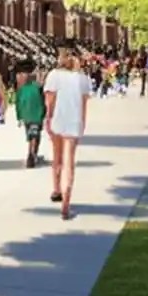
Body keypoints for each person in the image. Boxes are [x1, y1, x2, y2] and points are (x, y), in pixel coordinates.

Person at [45, 50, 91, 220]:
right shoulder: (82, 79)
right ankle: (66, 202)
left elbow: (49, 100)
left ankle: (56, 189)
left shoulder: (53, 76)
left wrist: (48, 118)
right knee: (69, 162)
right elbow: (84, 104)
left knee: (57, 156)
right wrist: (83, 123)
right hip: (74, 121)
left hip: (58, 118)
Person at [15, 62, 46, 169]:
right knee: (35, 135)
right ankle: (31, 154)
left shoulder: (21, 89)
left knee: (30, 134)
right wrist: (44, 113)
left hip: (26, 115)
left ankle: (32, 153)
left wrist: (19, 116)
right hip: (37, 115)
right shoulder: (37, 87)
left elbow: (18, 103)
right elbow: (43, 100)